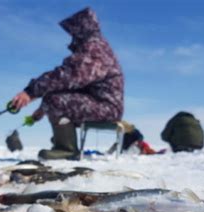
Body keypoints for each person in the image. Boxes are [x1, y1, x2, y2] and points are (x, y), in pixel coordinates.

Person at [11, 7, 124, 160]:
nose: (71, 36)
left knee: (55, 100)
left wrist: (31, 92)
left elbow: (65, 77)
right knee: (53, 98)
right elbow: (71, 85)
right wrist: (42, 109)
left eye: (73, 32)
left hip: (106, 107)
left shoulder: (93, 50)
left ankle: (66, 148)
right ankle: (62, 142)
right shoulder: (95, 47)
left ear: (81, 30)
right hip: (101, 104)